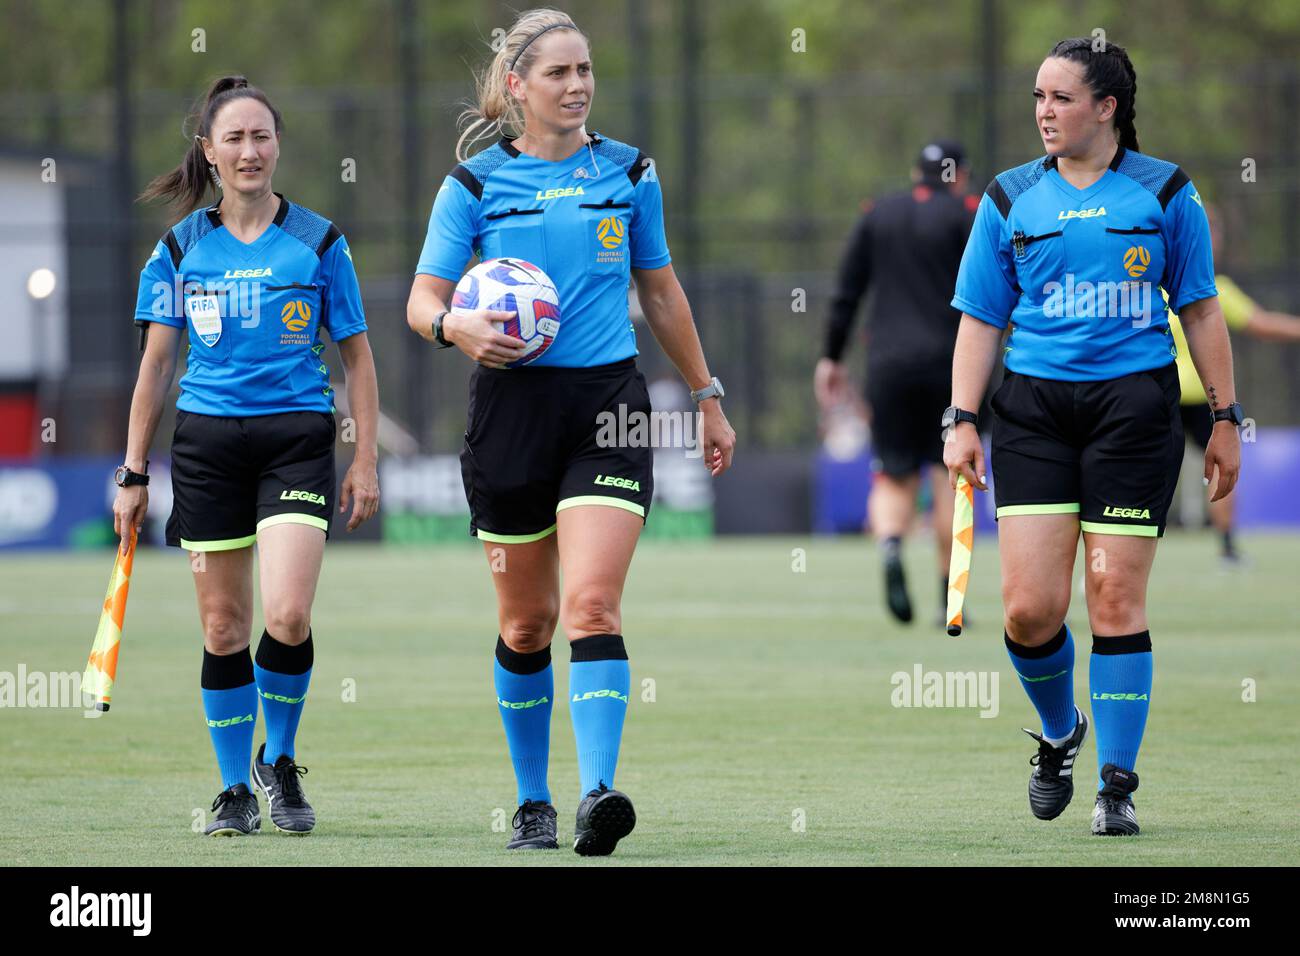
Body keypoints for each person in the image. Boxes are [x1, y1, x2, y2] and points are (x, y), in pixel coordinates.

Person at [406, 8, 735, 856]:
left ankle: (597, 796)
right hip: (510, 410)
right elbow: (421, 302)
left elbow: (660, 291)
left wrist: (705, 393)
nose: (578, 85)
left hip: (611, 406)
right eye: (558, 73)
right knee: (527, 626)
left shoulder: (629, 172)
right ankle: (531, 802)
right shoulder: (473, 186)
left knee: (593, 603)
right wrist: (457, 331)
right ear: (518, 87)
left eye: (585, 70)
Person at [944, 38, 1242, 836]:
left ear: (1106, 108)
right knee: (1030, 611)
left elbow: (1203, 309)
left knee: (1114, 596)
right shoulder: (1008, 198)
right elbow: (981, 319)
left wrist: (1223, 418)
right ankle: (1059, 732)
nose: (1044, 111)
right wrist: (962, 420)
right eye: (1037, 97)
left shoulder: (1167, 191)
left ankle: (1117, 785)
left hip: (1133, 413)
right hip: (1034, 412)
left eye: (1061, 98)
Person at [115, 75, 380, 836]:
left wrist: (362, 459)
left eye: (261, 135)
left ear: (278, 144)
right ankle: (233, 789)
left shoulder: (321, 242)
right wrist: (134, 474)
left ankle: (282, 759)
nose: (249, 149)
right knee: (225, 628)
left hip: (296, 439)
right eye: (233, 137)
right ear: (209, 151)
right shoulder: (178, 248)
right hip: (206, 449)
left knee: (288, 614)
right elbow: (157, 369)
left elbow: (358, 359)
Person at [816, 140, 977, 627]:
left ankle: (890, 546)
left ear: (914, 173)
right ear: (960, 177)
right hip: (953, 366)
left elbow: (847, 291)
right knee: (952, 478)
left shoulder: (878, 214)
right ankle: (949, 603)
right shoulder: (966, 217)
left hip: (888, 365)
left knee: (894, 474)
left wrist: (831, 356)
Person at [1169, 203, 1300, 565]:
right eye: (1209, 231)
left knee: (1221, 467)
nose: (1216, 240)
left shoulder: (1212, 288)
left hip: (1199, 400)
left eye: (1218, 232)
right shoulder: (1163, 285)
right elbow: (1261, 324)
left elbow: (1261, 323)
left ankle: (1226, 545)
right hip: (1158, 395)